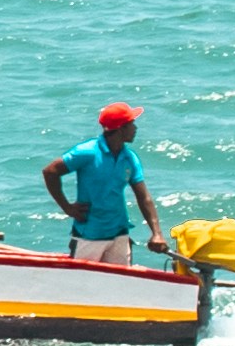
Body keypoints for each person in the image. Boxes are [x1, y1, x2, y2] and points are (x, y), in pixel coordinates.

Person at [42, 102, 162, 263]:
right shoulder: (87, 152)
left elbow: (144, 197)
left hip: (119, 233)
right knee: (82, 283)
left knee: (118, 283)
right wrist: (67, 207)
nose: (135, 128)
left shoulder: (130, 158)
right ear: (121, 128)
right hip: (89, 235)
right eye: (132, 124)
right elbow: (50, 172)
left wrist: (157, 233)